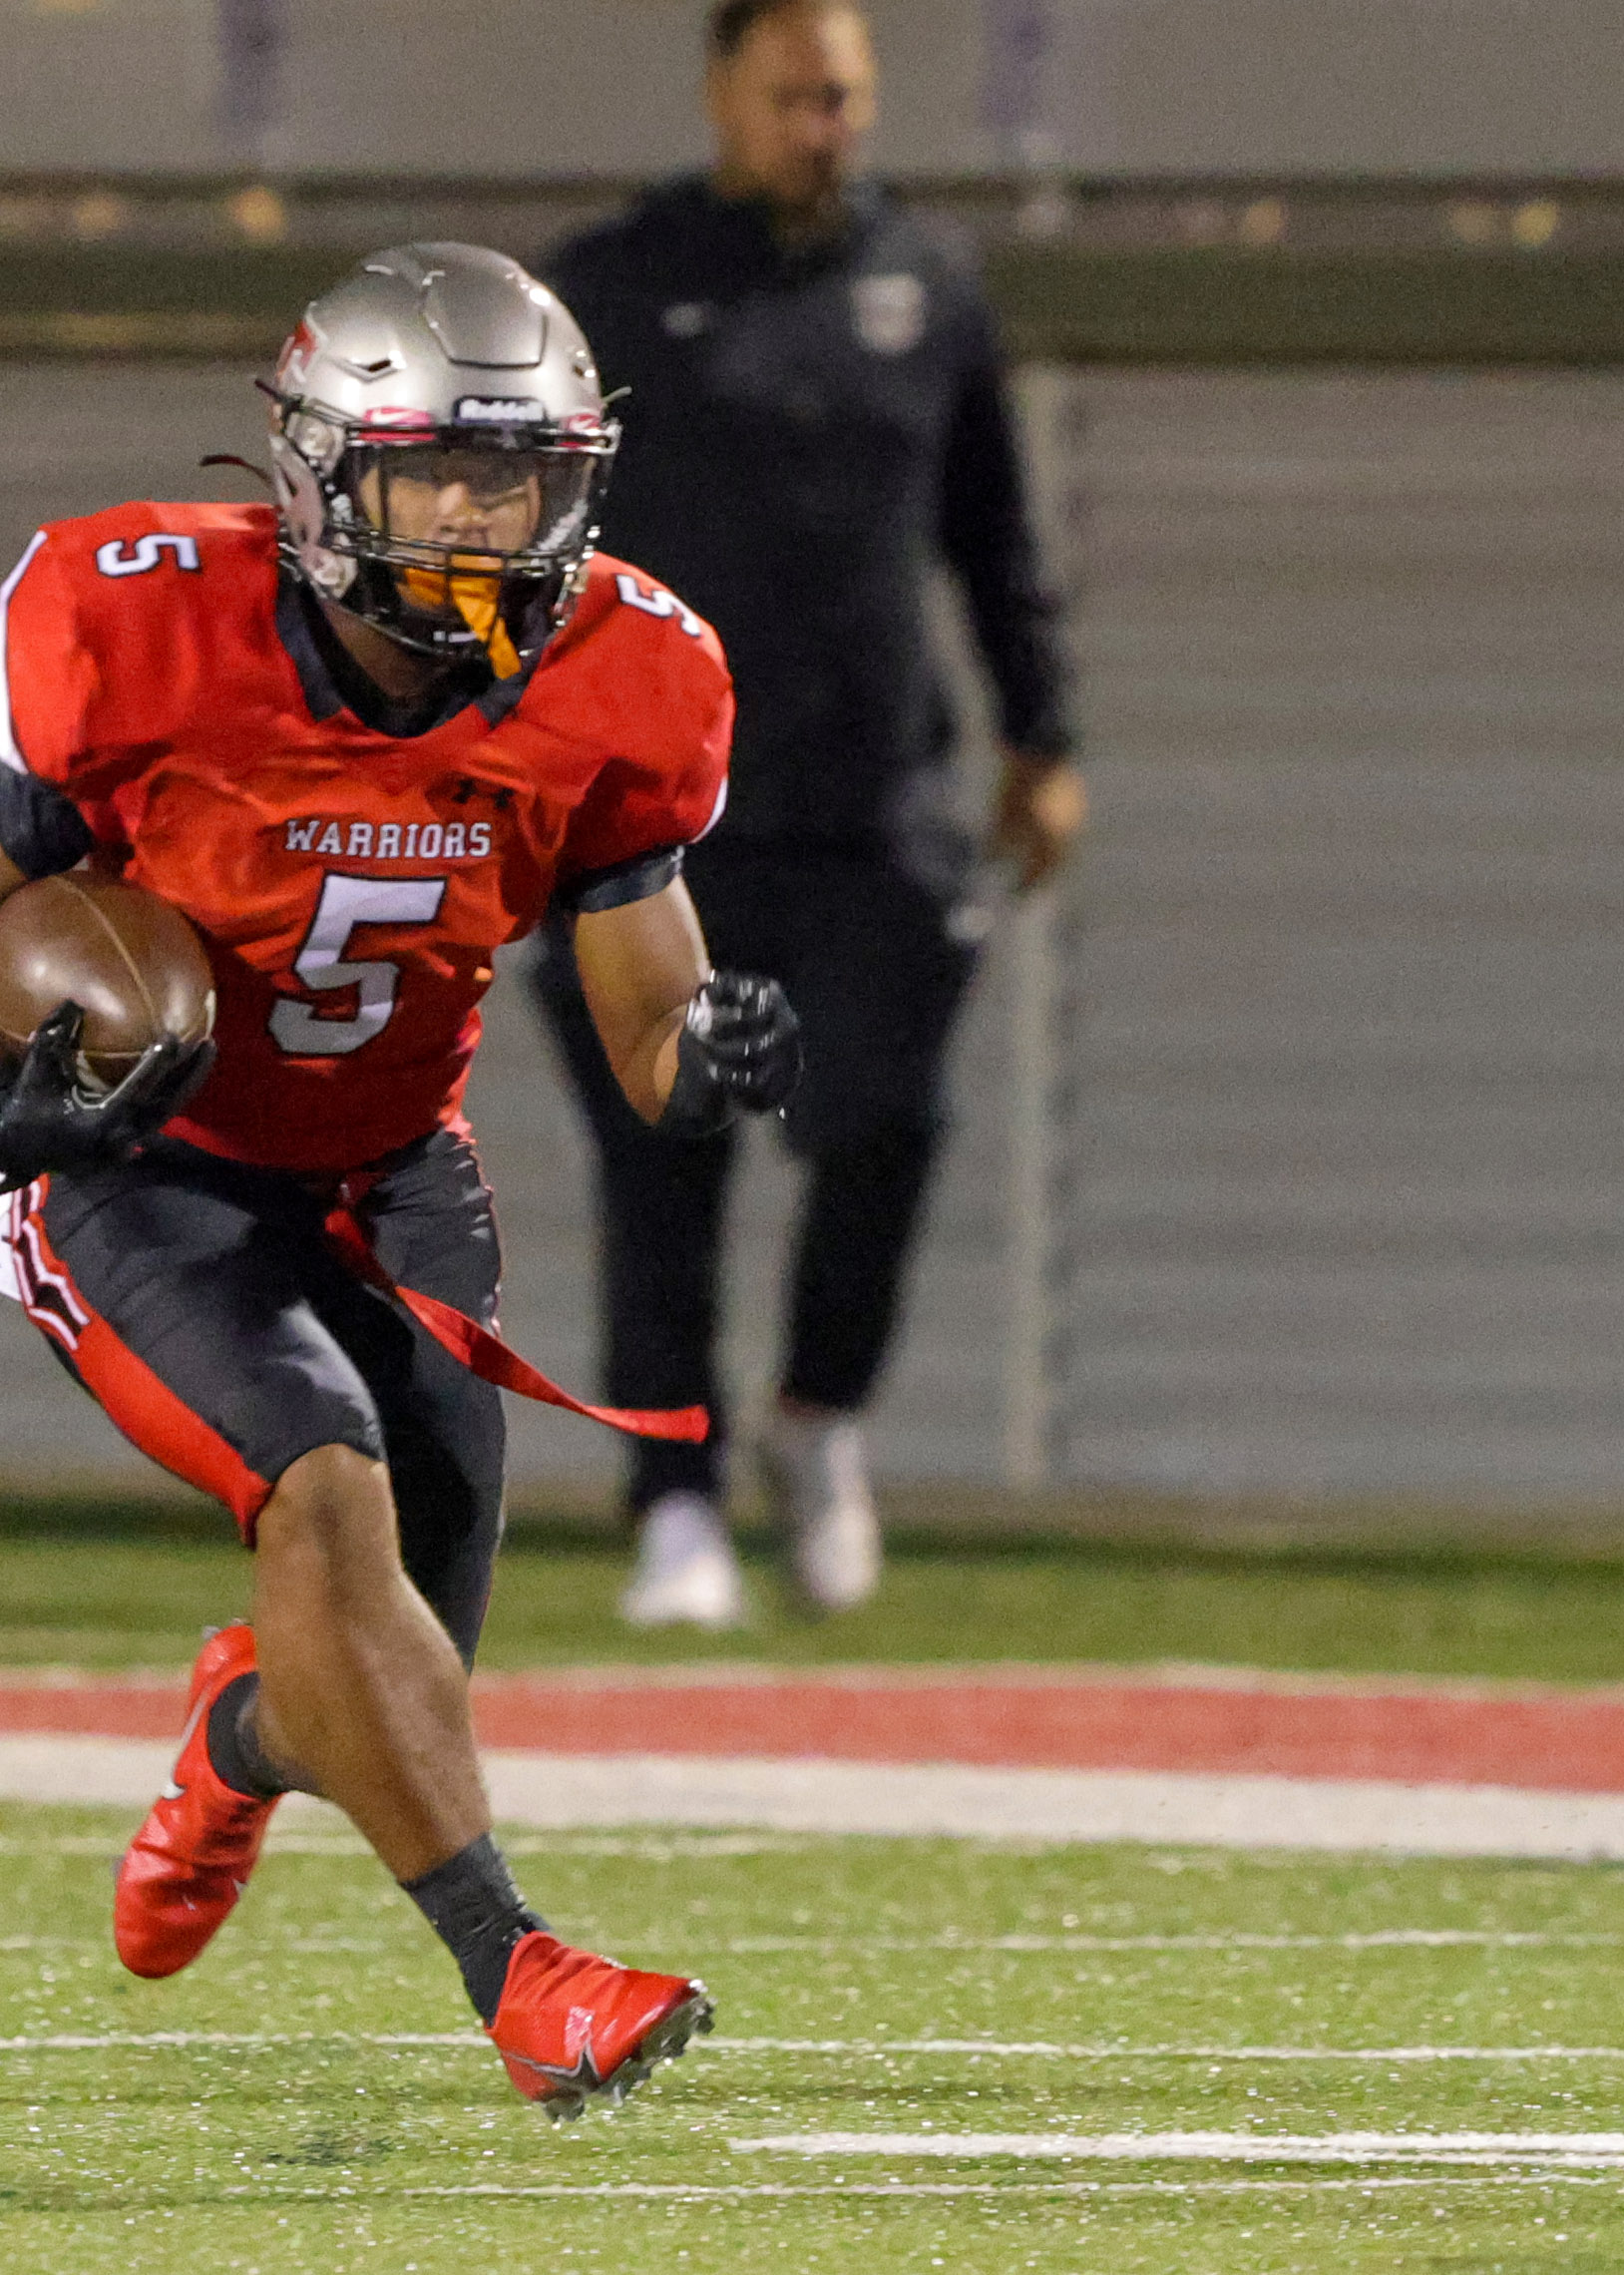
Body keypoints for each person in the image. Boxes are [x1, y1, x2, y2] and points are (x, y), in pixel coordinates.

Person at [0, 244, 803, 2113]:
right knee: (324, 1484)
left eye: (520, 474)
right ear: (317, 474)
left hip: (392, 1176)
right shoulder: (134, 621)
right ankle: (524, 1979)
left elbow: (644, 1027)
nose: (480, 513)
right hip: (144, 1171)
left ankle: (238, 1737)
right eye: (439, 468)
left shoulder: (628, 674)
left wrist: (709, 1065)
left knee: (390, 1666)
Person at [537, 0, 1087, 1628]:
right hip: (653, 821)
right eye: (790, 96)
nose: (820, 126)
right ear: (721, 94)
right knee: (663, 1160)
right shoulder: (611, 283)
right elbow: (519, 553)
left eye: (843, 97)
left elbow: (994, 538)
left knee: (889, 1123)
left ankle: (817, 1421)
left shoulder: (929, 291)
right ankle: (678, 1505)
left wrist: (1041, 739)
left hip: (872, 806)